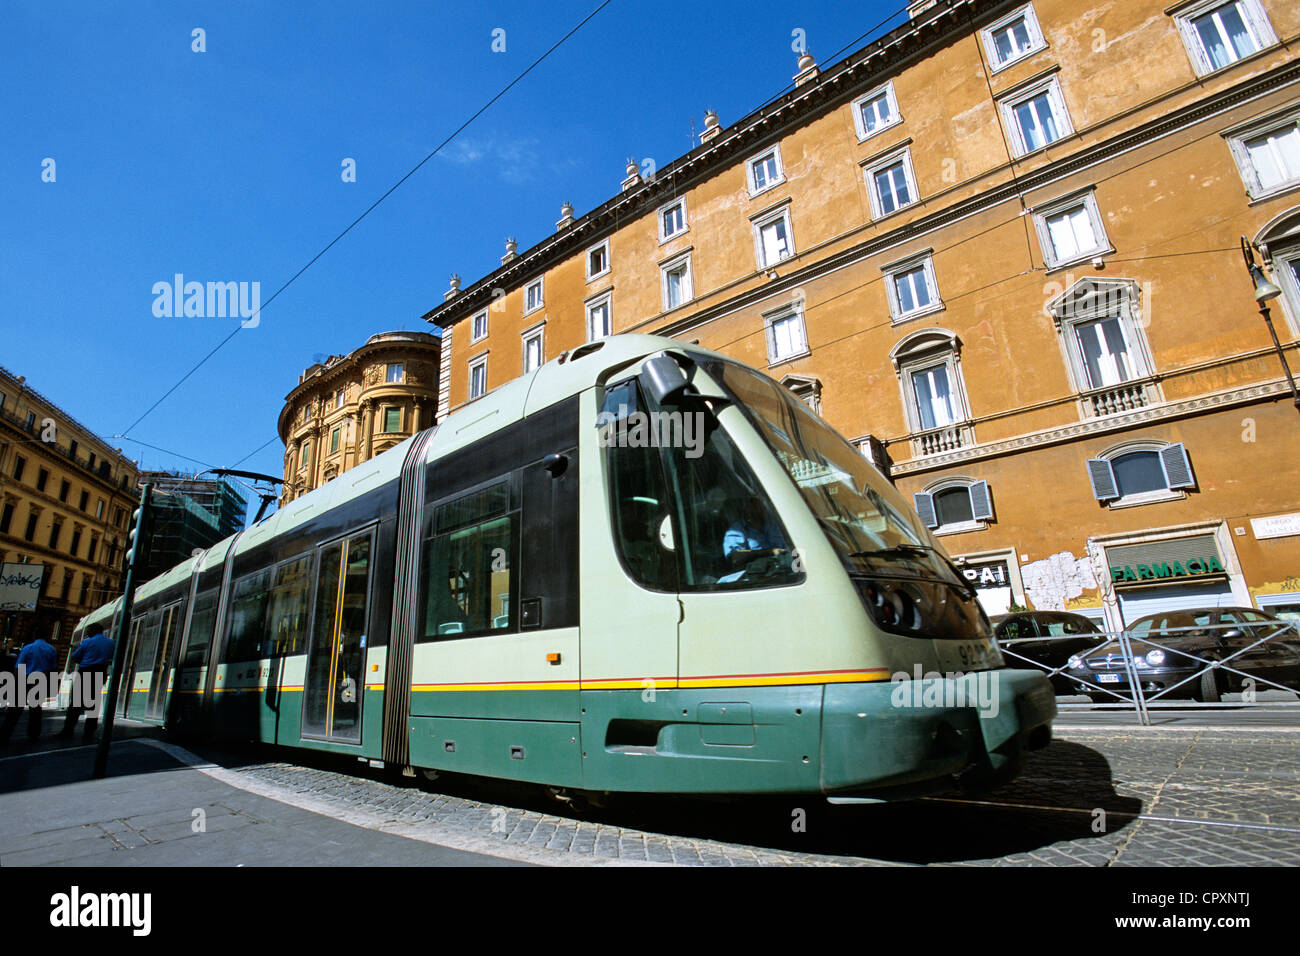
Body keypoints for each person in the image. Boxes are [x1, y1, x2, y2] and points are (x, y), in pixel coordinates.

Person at [0, 631, 58, 744]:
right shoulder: (51, 649)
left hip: (25, 679)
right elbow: (53, 669)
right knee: (36, 710)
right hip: (40, 680)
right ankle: (33, 734)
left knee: (15, 709)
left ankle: (5, 734)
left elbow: (19, 666)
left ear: (34, 636)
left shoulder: (28, 648)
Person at [59, 624, 114, 741]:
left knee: (75, 704)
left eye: (89, 631)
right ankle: (89, 732)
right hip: (100, 673)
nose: (87, 633)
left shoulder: (87, 642)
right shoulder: (110, 642)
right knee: (93, 704)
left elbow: (75, 657)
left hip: (85, 672)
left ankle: (68, 730)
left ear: (93, 631)